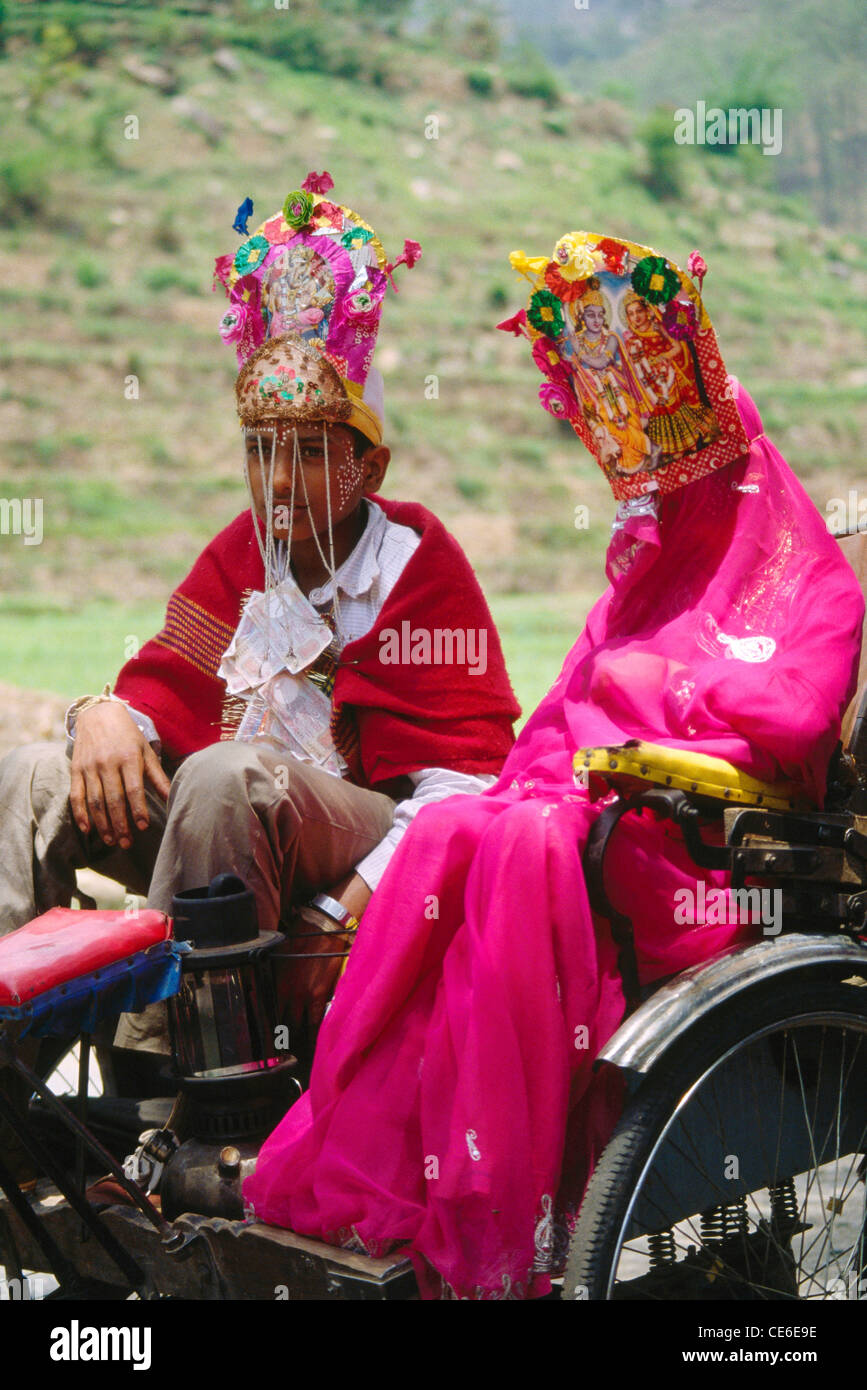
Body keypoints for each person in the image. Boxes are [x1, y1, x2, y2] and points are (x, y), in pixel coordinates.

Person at [243, 230, 865, 1299]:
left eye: (692, 490)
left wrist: (656, 717)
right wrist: (554, 767)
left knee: (526, 841)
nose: (671, 516)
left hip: (707, 857)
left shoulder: (814, 584)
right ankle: (422, 1184)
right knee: (455, 828)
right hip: (599, 827)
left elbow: (796, 721)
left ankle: (504, 1218)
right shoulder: (640, 579)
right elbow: (548, 725)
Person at [0, 173, 520, 1073]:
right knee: (31, 775)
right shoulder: (239, 555)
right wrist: (99, 713)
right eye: (259, 451)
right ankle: (13, 1089)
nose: (276, 484)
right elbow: (163, 691)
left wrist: (346, 905)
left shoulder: (417, 570)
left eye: (309, 454)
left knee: (225, 775)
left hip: (341, 845)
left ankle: (176, 1093)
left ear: (368, 467)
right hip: (221, 836)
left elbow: (459, 789)